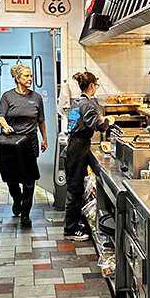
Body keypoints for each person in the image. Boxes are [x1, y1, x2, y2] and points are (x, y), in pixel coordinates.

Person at [63, 72, 114, 242]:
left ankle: (73, 224)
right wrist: (109, 120)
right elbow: (100, 127)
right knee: (75, 189)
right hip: (78, 147)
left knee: (74, 187)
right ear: (92, 85)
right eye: (96, 85)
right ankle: (70, 230)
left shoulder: (76, 102)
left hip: (74, 145)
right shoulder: (88, 105)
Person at [0, 64, 47, 229]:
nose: (30, 79)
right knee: (12, 179)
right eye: (26, 76)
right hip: (10, 142)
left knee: (29, 179)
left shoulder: (37, 98)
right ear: (17, 78)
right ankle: (17, 200)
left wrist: (44, 138)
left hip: (29, 142)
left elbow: (41, 120)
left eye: (31, 76)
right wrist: (5, 126)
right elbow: (1, 116)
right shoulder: (8, 97)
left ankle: (25, 214)